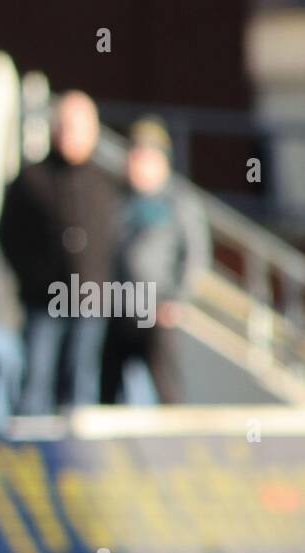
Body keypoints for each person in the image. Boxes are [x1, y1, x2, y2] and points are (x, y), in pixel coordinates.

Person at [0, 90, 119, 411]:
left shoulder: (106, 184)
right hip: (43, 299)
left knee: (80, 381)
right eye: (65, 125)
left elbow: (117, 242)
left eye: (78, 127)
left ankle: (75, 455)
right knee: (36, 378)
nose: (70, 134)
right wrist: (32, 278)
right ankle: (32, 451)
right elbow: (8, 236)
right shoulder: (31, 179)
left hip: (90, 299)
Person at [100, 117, 210, 404]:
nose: (137, 165)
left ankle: (175, 446)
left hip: (158, 307)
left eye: (145, 157)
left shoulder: (178, 201)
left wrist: (178, 299)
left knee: (167, 388)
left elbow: (196, 256)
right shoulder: (118, 197)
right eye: (134, 156)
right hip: (119, 306)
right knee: (107, 387)